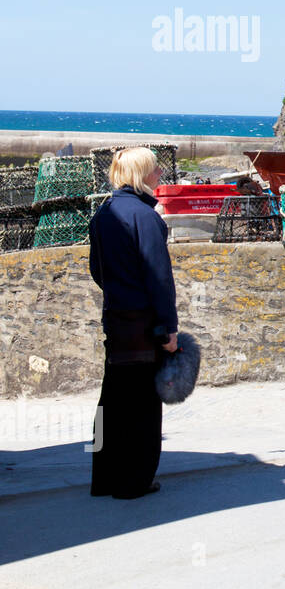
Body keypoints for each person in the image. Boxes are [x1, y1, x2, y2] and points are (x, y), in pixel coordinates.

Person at [88, 147, 179, 499]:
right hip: (144, 324)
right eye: (156, 170)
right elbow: (159, 278)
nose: (160, 175)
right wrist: (169, 328)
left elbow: (98, 271)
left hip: (117, 320)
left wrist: (120, 294)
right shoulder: (145, 217)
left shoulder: (103, 214)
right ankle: (134, 481)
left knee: (111, 402)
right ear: (142, 174)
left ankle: (104, 479)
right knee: (142, 407)